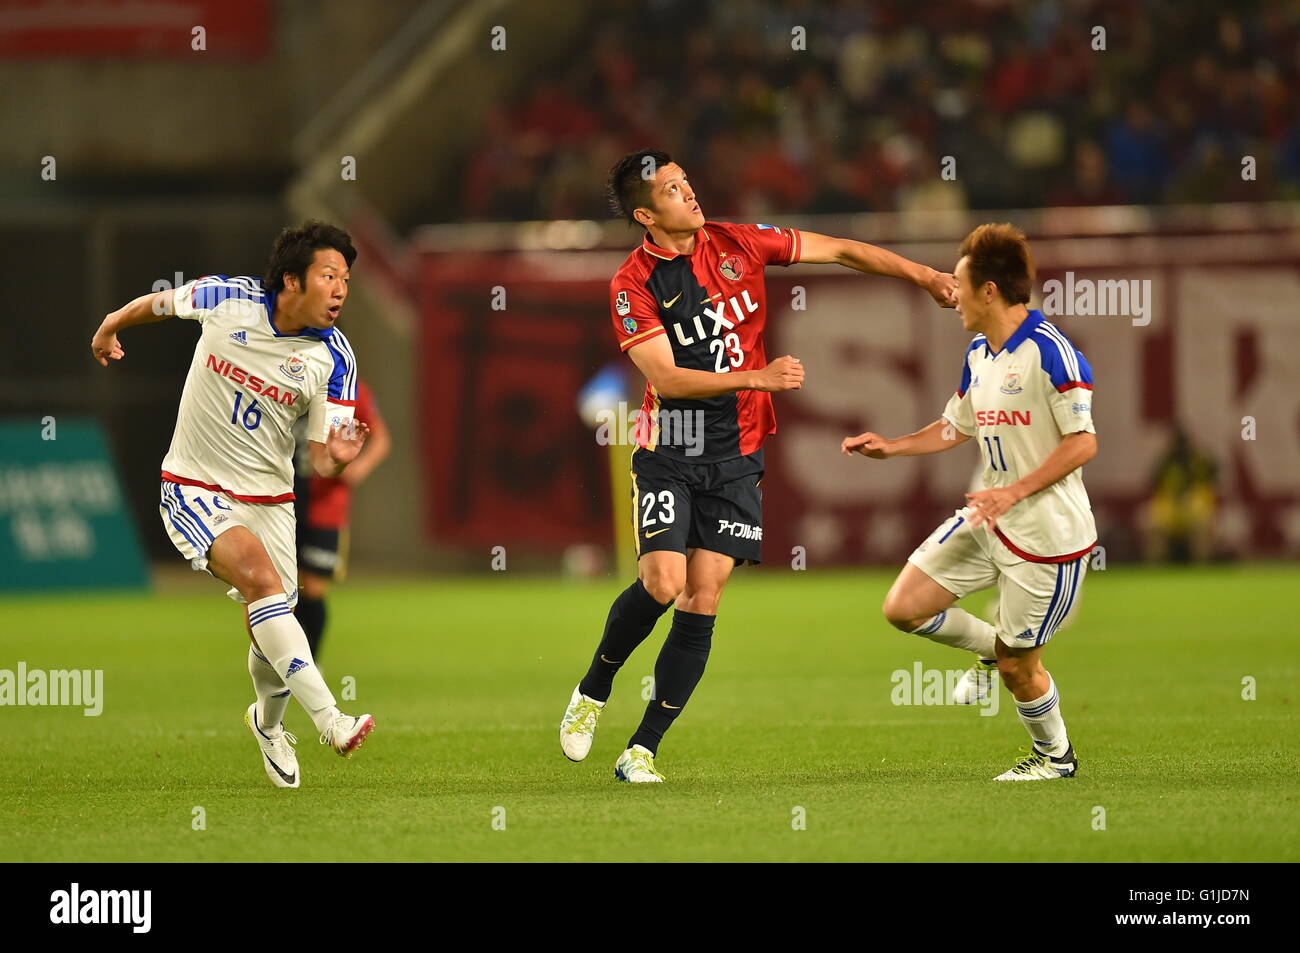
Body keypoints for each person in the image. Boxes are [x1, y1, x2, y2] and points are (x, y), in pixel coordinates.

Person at [560, 148, 958, 783]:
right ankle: (593, 690)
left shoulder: (740, 243)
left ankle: (642, 749)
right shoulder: (632, 283)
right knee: (663, 583)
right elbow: (665, 376)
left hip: (738, 454)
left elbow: (845, 250)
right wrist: (758, 376)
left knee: (703, 593)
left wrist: (927, 276)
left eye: (686, 180)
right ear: (645, 213)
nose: (689, 193)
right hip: (672, 445)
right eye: (671, 189)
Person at [90, 221, 376, 790]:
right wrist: (112, 323)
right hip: (195, 484)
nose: (341, 288)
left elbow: (321, 460)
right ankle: (331, 720)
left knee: (271, 623)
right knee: (262, 585)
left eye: (346, 278)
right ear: (292, 280)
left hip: (272, 500)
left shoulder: (335, 358)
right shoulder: (228, 298)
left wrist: (340, 457)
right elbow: (162, 303)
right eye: (329, 276)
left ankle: (268, 726)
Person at [843, 222, 1097, 781]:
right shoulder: (980, 352)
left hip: (1048, 537)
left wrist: (1016, 489)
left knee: (1019, 669)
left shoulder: (1052, 353)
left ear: (989, 290)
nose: (950, 294)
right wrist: (892, 447)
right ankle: (992, 648)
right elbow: (954, 427)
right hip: (989, 519)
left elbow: (1084, 441)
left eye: (958, 283)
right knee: (903, 607)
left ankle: (1056, 758)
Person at [293, 378, 391, 657]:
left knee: (311, 588)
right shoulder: (280, 375)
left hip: (325, 506)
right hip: (279, 500)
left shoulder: (348, 387)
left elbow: (381, 437)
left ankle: (311, 662)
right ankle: (284, 668)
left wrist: (359, 468)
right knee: (281, 592)